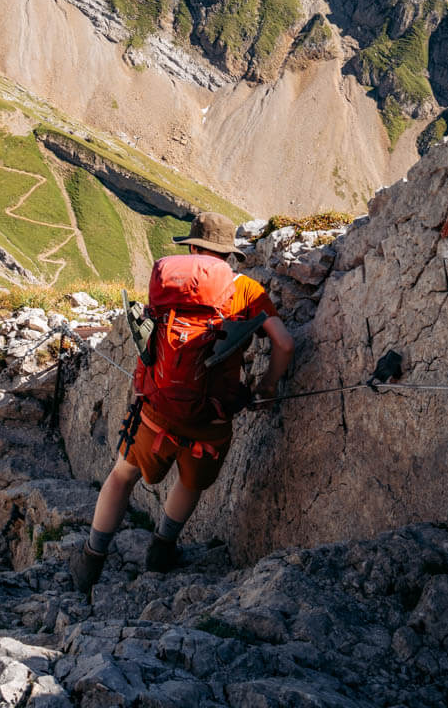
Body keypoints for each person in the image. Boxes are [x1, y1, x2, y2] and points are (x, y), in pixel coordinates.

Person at [69, 211, 294, 593]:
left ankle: (91, 561)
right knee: (191, 483)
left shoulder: (168, 284)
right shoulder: (246, 291)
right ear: (227, 255)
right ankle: (161, 551)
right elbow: (285, 344)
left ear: (191, 248)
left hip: (156, 409)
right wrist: (267, 387)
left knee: (122, 475)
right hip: (211, 417)